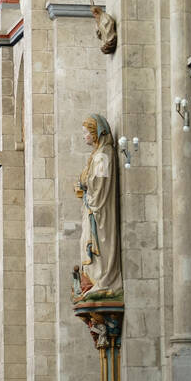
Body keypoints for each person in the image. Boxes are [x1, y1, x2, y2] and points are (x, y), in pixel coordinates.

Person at [73, 114, 122, 301]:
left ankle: (104, 281)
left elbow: (100, 184)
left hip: (99, 209)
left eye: (86, 132)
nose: (83, 136)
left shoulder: (103, 156)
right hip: (92, 207)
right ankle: (95, 281)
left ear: (95, 133)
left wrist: (84, 183)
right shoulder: (97, 155)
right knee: (85, 241)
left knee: (99, 242)